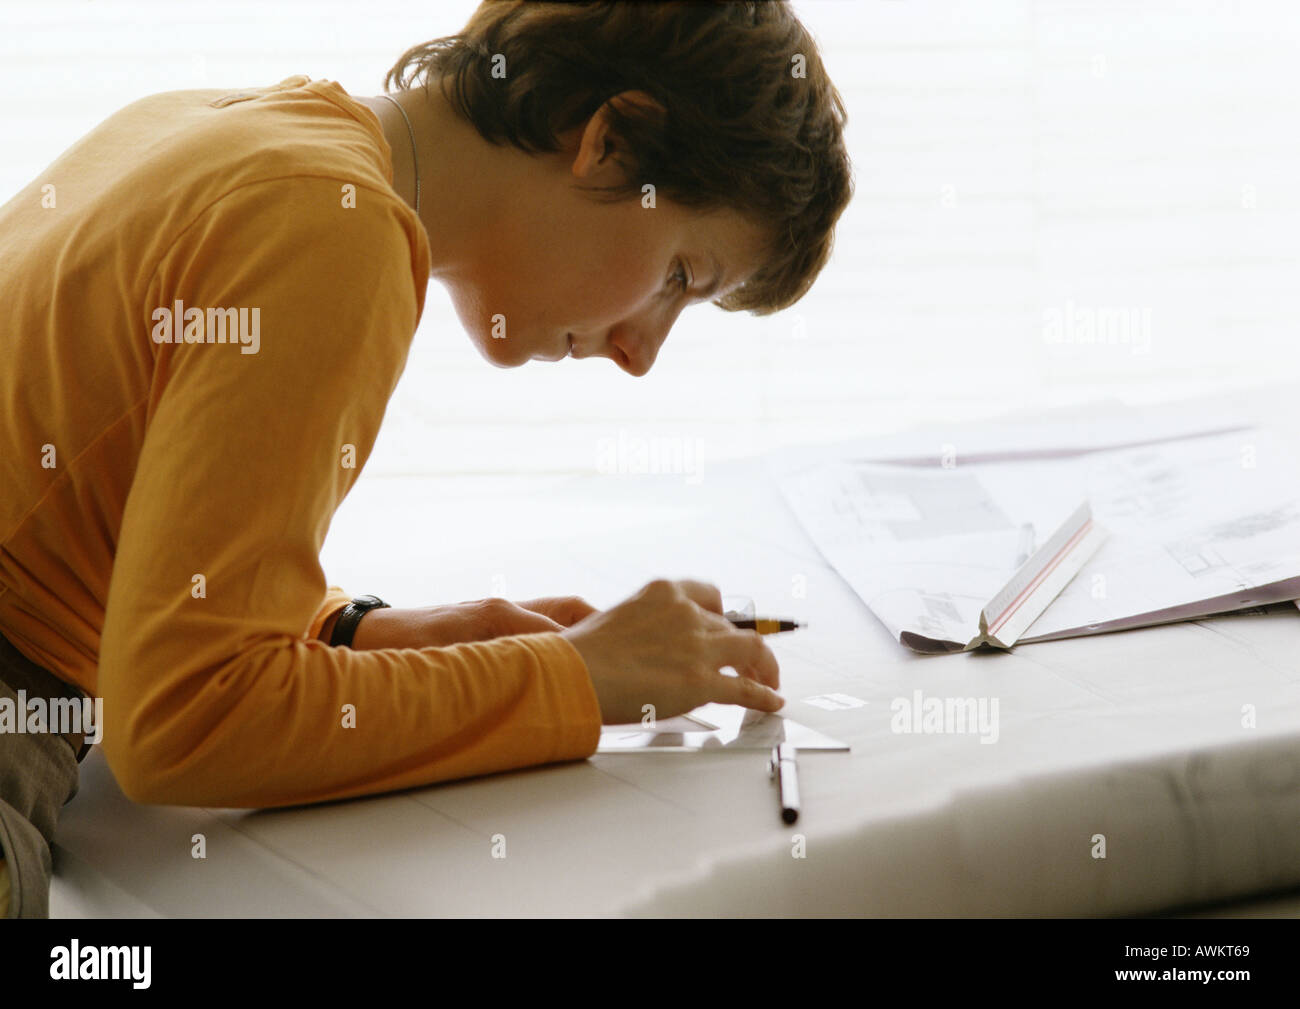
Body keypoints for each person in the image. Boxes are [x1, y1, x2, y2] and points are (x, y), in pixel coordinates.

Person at [0, 0, 852, 916]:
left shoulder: (218, 126)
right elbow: (183, 721)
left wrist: (349, 633)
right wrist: (578, 680)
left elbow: (100, 540)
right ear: (612, 139)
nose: (641, 354)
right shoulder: (333, 232)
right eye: (682, 276)